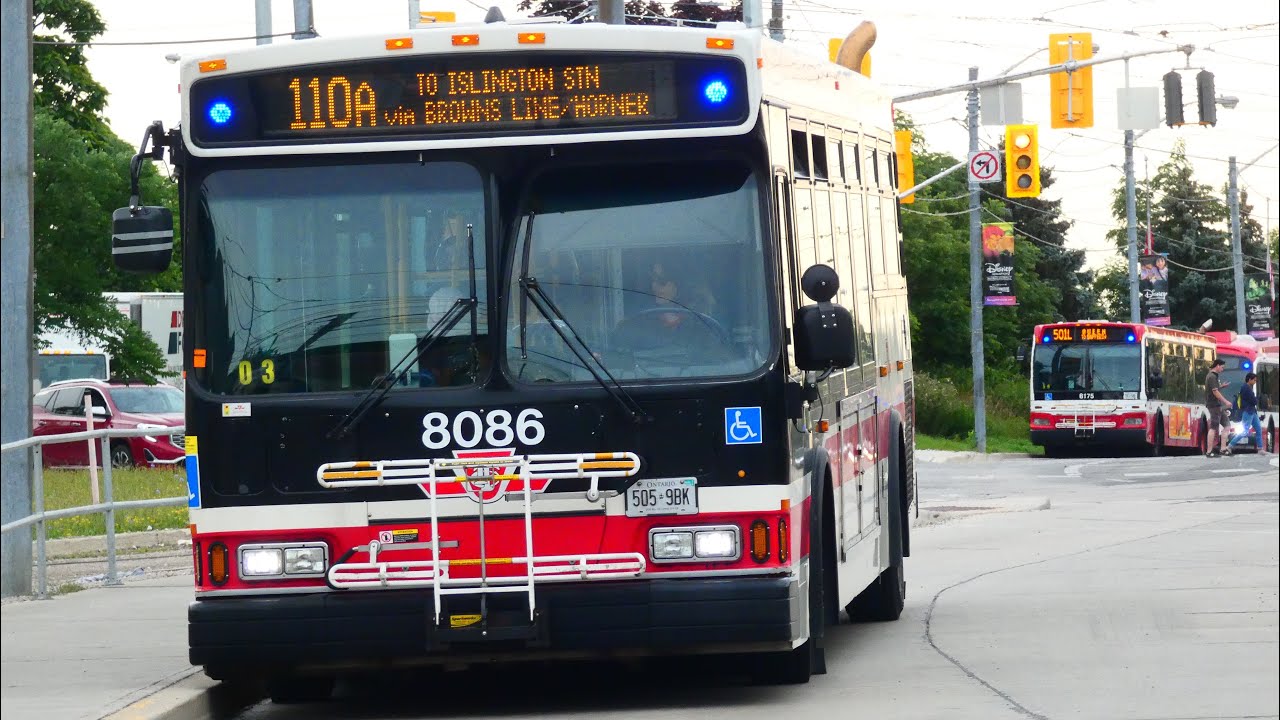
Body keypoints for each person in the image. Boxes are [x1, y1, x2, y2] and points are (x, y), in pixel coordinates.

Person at [1227, 373, 1268, 454]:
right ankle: (1229, 446)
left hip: (1253, 412)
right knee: (1245, 431)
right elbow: (1254, 401)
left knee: (1258, 429)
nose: (1255, 382)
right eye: (1254, 380)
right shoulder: (1246, 388)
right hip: (1248, 412)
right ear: (1249, 379)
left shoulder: (1248, 387)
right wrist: (1257, 398)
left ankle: (1260, 449)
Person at [1204, 357, 1233, 457]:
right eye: (1222, 367)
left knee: (1227, 425)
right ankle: (1209, 451)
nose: (1222, 369)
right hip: (1214, 405)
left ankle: (1223, 449)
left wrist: (1221, 386)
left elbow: (1215, 388)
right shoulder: (1211, 376)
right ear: (1217, 366)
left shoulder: (1214, 376)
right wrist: (1226, 401)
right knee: (1213, 428)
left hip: (1218, 405)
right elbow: (1214, 392)